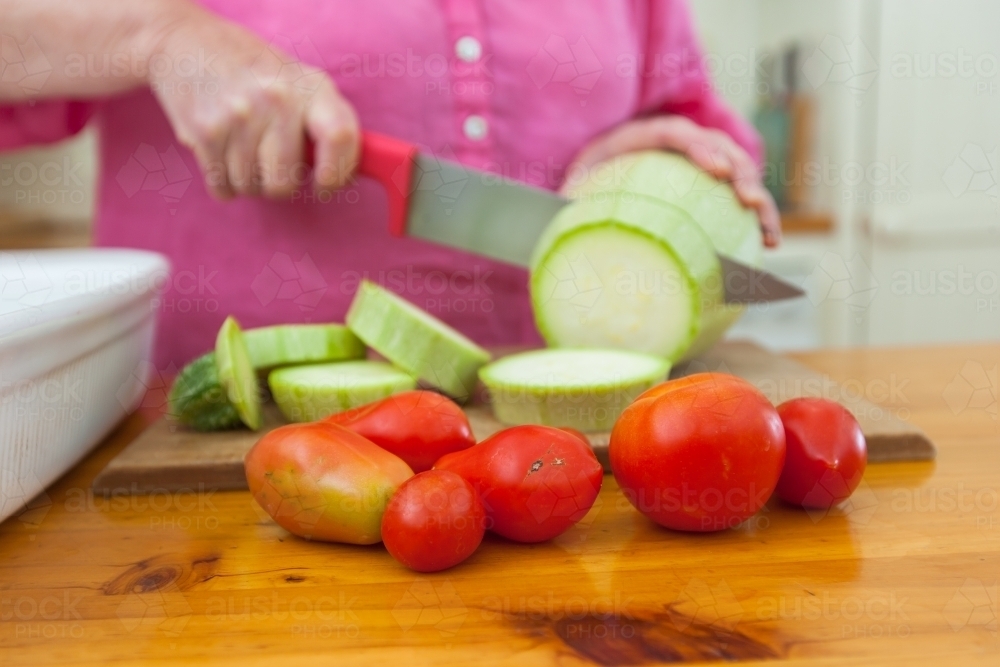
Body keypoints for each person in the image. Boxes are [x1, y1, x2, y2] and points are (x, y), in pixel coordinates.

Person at [0, 0, 779, 369]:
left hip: (550, 450)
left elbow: (682, 112)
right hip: (212, 453)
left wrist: (643, 163)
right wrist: (160, 35)